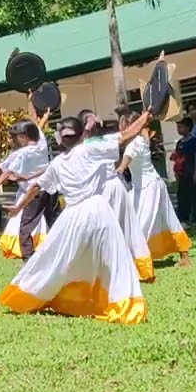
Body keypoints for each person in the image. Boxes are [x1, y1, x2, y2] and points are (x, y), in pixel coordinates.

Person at [0, 109, 155, 325]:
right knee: (115, 259)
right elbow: (126, 135)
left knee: (53, 258)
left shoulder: (58, 163)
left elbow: (35, 187)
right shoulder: (91, 150)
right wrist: (145, 117)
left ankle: (29, 294)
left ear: (62, 141)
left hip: (72, 217)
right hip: (98, 210)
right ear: (82, 136)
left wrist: (17, 208)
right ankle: (122, 305)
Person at [80, 110, 156, 283]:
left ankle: (133, 268)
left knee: (124, 227)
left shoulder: (103, 140)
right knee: (112, 229)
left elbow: (128, 133)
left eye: (94, 116)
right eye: (91, 119)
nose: (95, 120)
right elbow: (128, 132)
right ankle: (114, 268)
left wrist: (144, 118)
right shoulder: (87, 145)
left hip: (111, 189)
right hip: (102, 191)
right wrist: (144, 118)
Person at [119, 111, 193, 267]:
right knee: (167, 219)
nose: (121, 130)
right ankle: (183, 254)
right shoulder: (143, 138)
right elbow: (145, 126)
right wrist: (147, 114)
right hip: (150, 185)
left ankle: (139, 260)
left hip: (148, 188)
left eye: (123, 125)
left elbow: (120, 169)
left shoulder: (132, 146)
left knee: (141, 223)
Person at [0, 114, 53, 260]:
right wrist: (45, 116)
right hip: (49, 191)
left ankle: (30, 259)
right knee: (48, 221)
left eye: (16, 137)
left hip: (32, 194)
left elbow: (8, 171)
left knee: (25, 227)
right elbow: (37, 126)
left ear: (23, 137)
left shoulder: (24, 153)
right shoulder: (42, 144)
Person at [172, 117, 196, 226]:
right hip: (182, 173)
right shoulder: (179, 142)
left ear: (188, 128)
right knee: (182, 196)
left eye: (180, 127)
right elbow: (177, 157)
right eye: (177, 127)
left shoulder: (193, 141)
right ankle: (184, 219)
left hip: (192, 172)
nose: (178, 129)